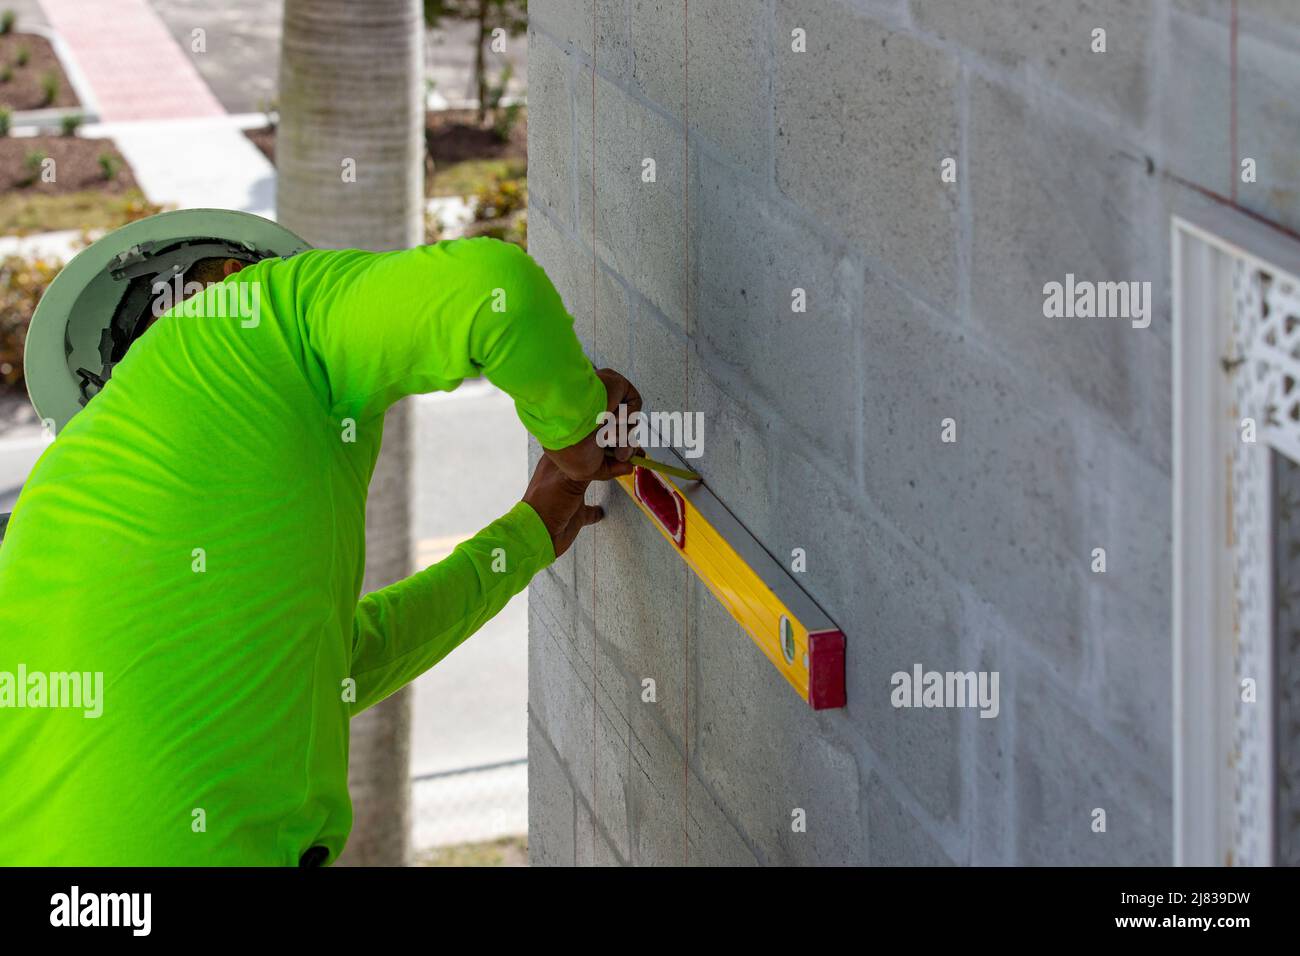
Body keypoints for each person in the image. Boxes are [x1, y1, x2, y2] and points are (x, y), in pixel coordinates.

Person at [0, 210, 641, 865]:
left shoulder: (44, 503)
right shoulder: (259, 312)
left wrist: (527, 535)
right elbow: (491, 290)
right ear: (233, 272)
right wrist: (575, 426)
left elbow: (333, 666)